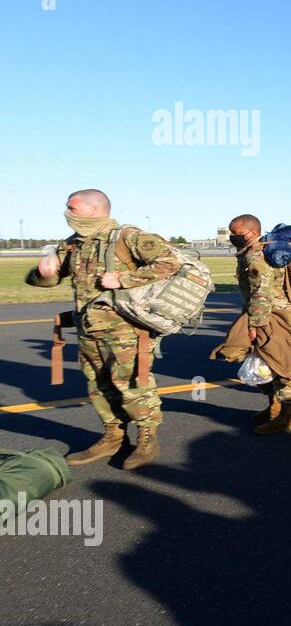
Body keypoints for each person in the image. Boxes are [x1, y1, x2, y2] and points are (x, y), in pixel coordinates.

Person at [26, 189, 180, 468]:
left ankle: (147, 438)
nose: (67, 212)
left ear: (95, 210)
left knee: (133, 384)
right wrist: (43, 272)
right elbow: (47, 280)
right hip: (89, 329)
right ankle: (112, 436)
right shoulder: (72, 245)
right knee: (98, 385)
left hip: (126, 330)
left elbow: (170, 262)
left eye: (72, 208)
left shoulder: (128, 237)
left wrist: (123, 278)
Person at [229, 214, 291, 433]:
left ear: (251, 233)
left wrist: (255, 326)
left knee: (281, 363)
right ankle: (274, 407)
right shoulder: (250, 252)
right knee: (265, 364)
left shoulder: (256, 256)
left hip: (272, 316)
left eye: (236, 233)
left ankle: (289, 415)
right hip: (266, 313)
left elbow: (261, 293)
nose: (232, 236)